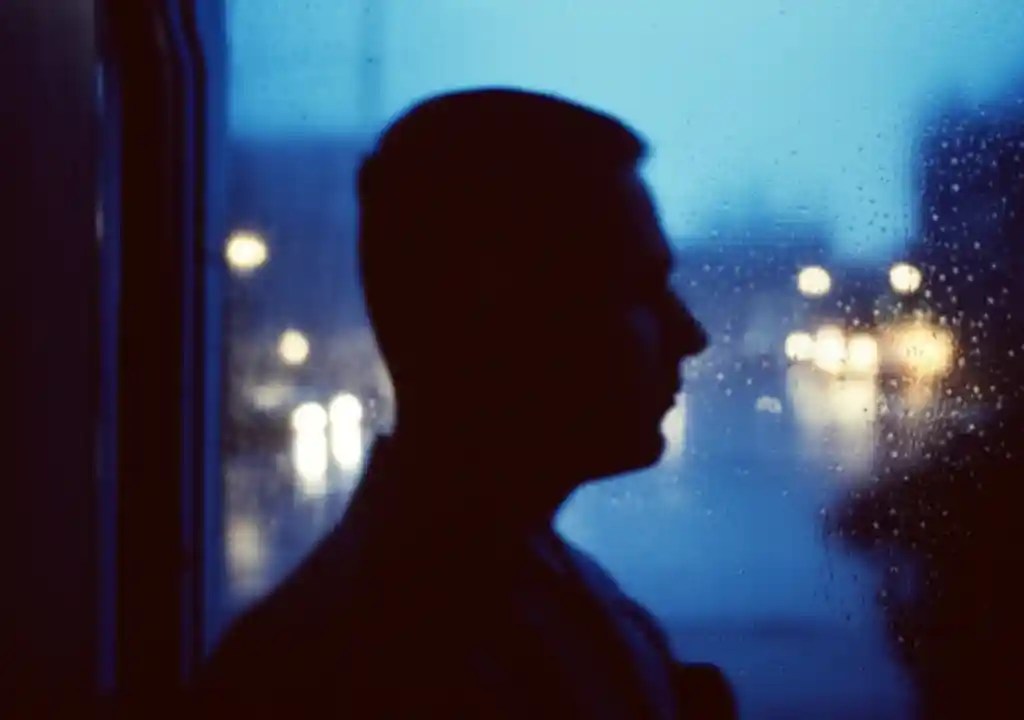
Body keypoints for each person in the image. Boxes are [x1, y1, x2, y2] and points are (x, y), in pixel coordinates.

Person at [194, 88, 733, 718]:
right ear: (499, 311)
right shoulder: (360, 668)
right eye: (639, 288)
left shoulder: (488, 596)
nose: (690, 334)